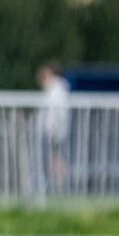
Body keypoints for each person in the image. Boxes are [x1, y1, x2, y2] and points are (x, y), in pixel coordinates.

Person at [38, 60, 71, 195]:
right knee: (55, 158)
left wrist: (53, 129)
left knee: (55, 158)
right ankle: (56, 184)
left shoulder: (55, 90)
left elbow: (56, 112)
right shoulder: (55, 89)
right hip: (55, 130)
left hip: (54, 131)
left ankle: (58, 184)